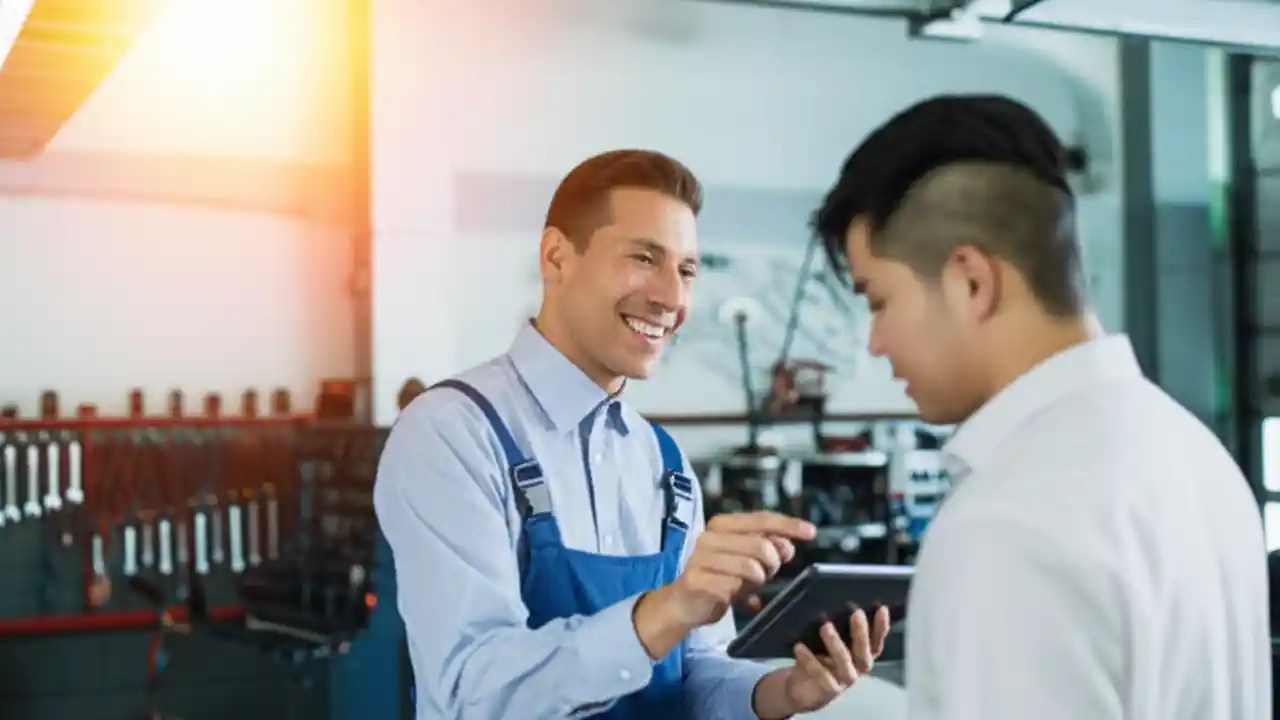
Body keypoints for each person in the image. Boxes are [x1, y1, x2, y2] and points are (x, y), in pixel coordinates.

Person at [374, 148, 890, 719]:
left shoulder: (664, 464)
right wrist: (669, 609)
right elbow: (475, 694)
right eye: (645, 258)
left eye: (687, 271)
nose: (672, 298)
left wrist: (781, 692)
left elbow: (695, 671)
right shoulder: (453, 433)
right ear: (556, 257)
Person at [812, 94, 1272, 719]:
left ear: (970, 281)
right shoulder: (1194, 453)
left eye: (879, 301)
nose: (876, 341)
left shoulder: (1009, 522)